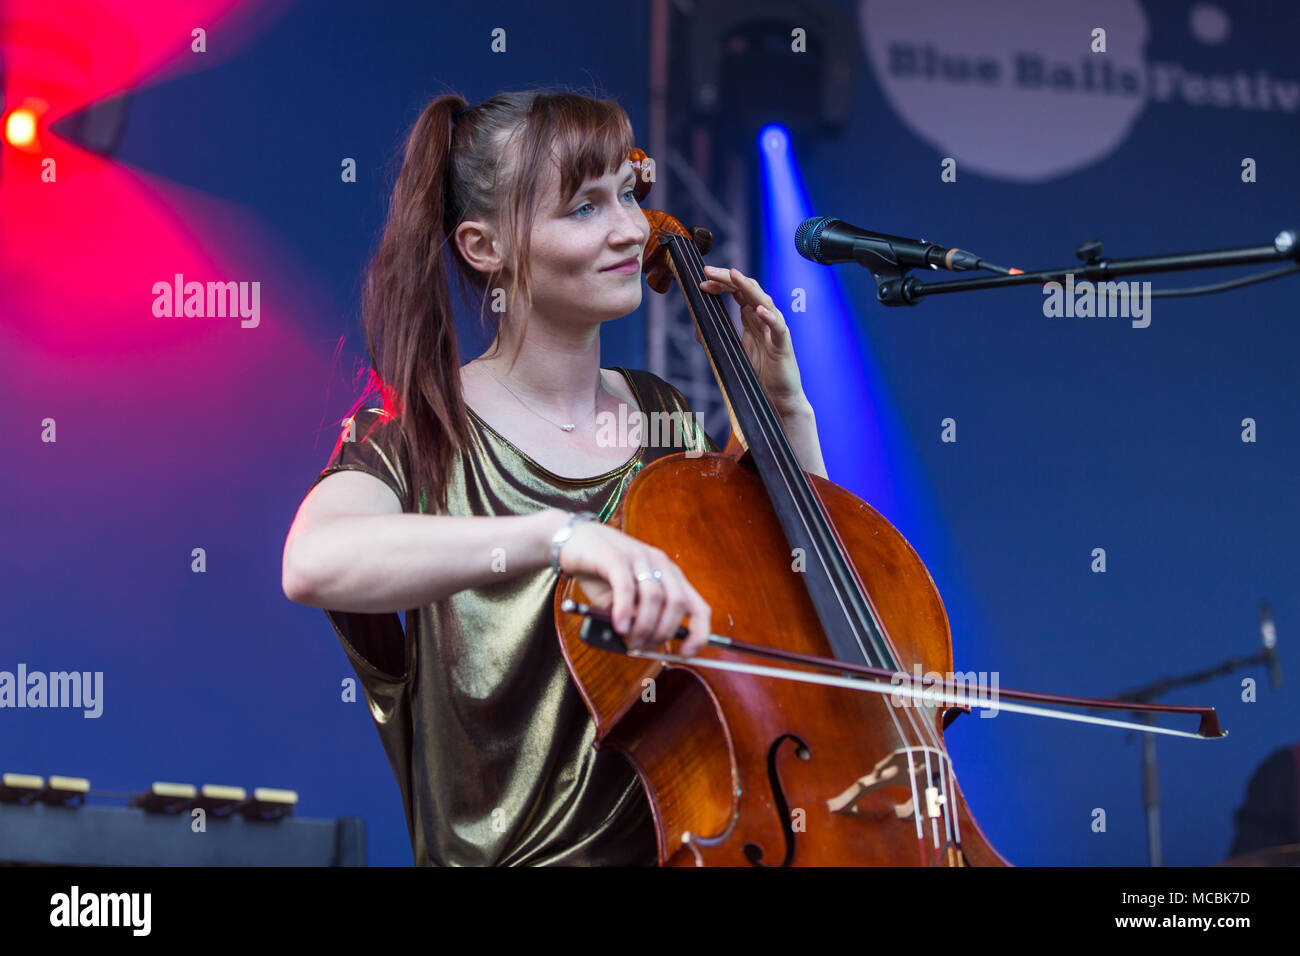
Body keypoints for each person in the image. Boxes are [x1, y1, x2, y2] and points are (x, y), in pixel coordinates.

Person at [281, 88, 827, 866]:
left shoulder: (665, 420)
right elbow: (311, 560)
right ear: (483, 247)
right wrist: (560, 537)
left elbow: (806, 594)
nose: (632, 231)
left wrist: (786, 406)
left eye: (629, 195)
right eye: (584, 208)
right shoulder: (418, 435)